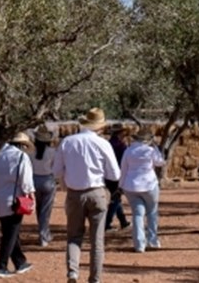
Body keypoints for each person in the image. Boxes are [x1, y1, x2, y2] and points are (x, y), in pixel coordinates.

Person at [53, 108, 120, 283]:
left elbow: (56, 170)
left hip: (74, 194)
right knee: (97, 241)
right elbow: (115, 175)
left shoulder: (67, 142)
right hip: (97, 192)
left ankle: (73, 272)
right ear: (99, 126)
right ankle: (95, 279)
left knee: (74, 236)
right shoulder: (103, 144)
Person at [0, 132, 36, 278]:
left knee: (9, 232)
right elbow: (26, 180)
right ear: (21, 145)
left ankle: (20, 262)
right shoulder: (21, 157)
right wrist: (31, 195)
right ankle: (1, 267)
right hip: (16, 200)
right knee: (10, 234)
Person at [119, 124, 167, 253]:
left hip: (131, 186)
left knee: (137, 214)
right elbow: (160, 162)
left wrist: (121, 185)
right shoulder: (150, 151)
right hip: (149, 185)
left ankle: (139, 244)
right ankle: (153, 241)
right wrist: (156, 147)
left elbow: (123, 169)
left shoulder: (128, 151)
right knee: (152, 213)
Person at [30, 125, 57, 247]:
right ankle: (43, 235)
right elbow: (55, 168)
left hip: (34, 180)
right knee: (46, 210)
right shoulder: (52, 152)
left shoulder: (31, 153)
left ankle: (45, 232)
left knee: (39, 209)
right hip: (48, 181)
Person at [104, 126, 130, 232]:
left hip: (107, 175)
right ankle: (106, 223)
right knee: (115, 199)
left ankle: (123, 221)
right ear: (120, 134)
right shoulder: (121, 146)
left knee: (116, 198)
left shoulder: (108, 144)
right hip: (117, 174)